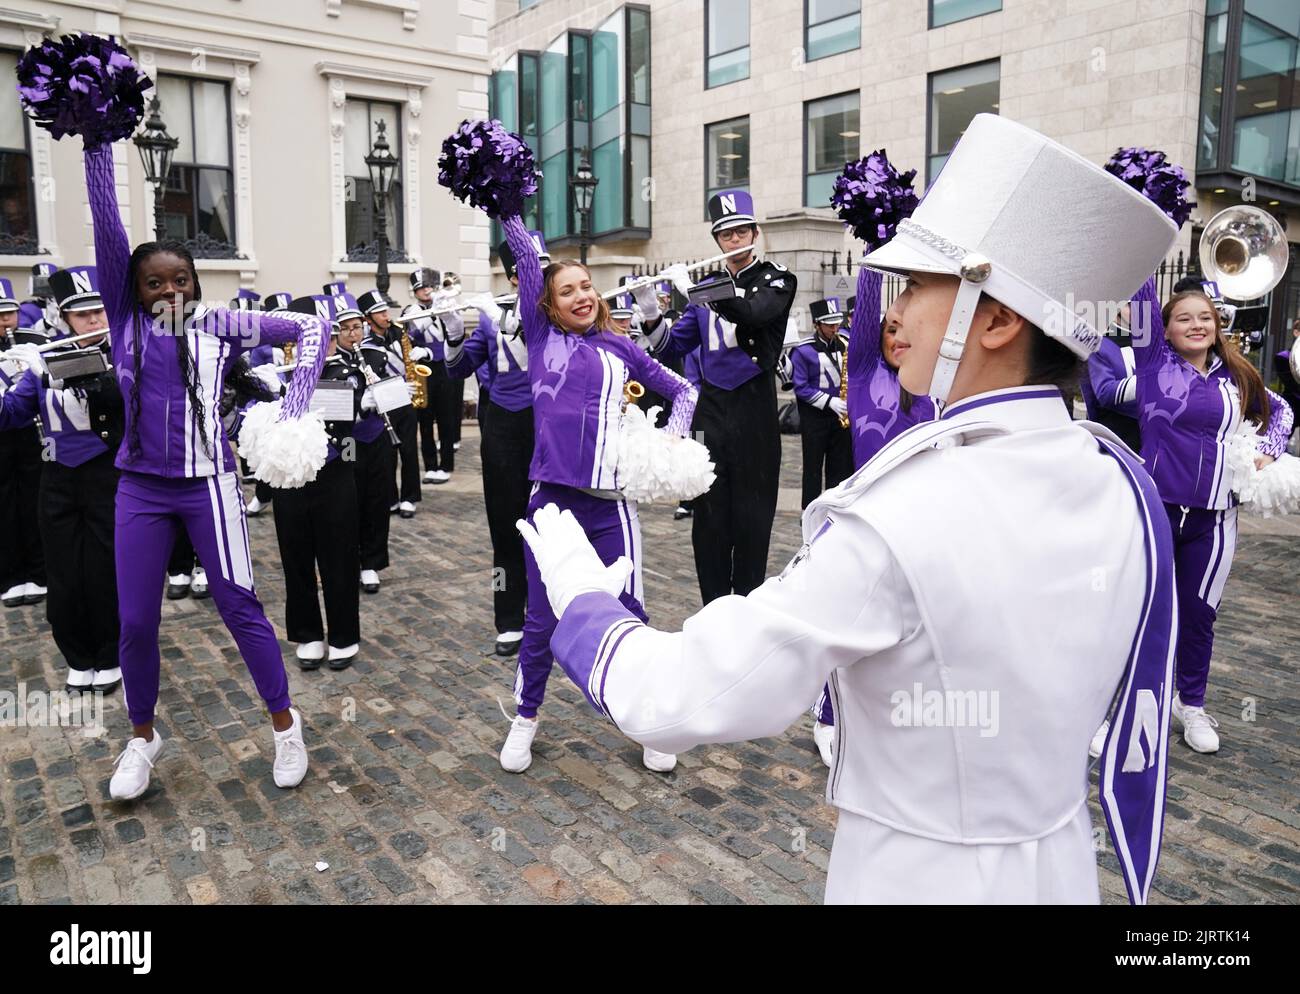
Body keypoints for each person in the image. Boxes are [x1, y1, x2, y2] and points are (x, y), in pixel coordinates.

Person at [523, 114, 1180, 905]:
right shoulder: (1121, 482)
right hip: (1061, 869)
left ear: (999, 319)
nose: (890, 315)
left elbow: (680, 697)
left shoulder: (904, 518)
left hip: (917, 879)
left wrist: (584, 603)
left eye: (917, 288)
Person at [78, 127, 329, 801]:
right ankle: (141, 737)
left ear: (196, 281)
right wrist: (96, 140)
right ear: (135, 289)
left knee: (238, 604)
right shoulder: (127, 322)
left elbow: (312, 329)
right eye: (154, 282)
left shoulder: (223, 325)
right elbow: (107, 221)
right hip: (139, 488)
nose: (168, 290)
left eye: (179, 279)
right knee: (134, 620)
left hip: (210, 484)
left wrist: (296, 407)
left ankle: (285, 726)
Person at [489, 206, 698, 776]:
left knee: (630, 611)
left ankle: (649, 720)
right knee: (541, 621)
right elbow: (529, 262)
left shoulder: (620, 347)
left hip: (611, 507)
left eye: (586, 285)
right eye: (567, 291)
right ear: (549, 305)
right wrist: (506, 204)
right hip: (553, 504)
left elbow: (683, 391)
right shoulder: (541, 338)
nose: (581, 295)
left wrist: (670, 444)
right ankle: (527, 716)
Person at [1124, 285, 1293, 754]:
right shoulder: (1153, 362)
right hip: (1155, 512)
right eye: (1184, 318)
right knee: (1143, 614)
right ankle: (1126, 708)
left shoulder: (1237, 376)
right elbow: (1140, 296)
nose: (1197, 325)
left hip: (1215, 519)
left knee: (1199, 616)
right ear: (1166, 328)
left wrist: (1269, 449)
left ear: (1217, 327)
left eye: (1205, 317)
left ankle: (1190, 705)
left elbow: (1281, 411)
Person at [644, 191, 796, 604]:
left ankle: (747, 607)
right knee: (709, 517)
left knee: (752, 515)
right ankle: (712, 607)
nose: (734, 240)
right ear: (717, 241)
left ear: (755, 233)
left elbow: (753, 313)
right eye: (726, 234)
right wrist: (650, 313)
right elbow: (670, 347)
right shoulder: (705, 290)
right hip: (710, 414)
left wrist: (697, 291)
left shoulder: (777, 278)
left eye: (741, 231)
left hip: (754, 411)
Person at [0, 266, 122, 692]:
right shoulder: (42, 360)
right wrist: (19, 376)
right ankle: (78, 654)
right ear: (63, 318)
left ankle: (111, 652)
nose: (93, 321)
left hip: (108, 476)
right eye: (81, 315)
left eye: (98, 312)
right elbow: (11, 415)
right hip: (56, 478)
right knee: (64, 571)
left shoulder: (126, 354)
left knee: (105, 568)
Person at [273, 294, 363, 670]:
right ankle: (308, 633)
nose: (323, 343)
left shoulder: (346, 372)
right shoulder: (278, 373)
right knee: (295, 557)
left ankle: (343, 634)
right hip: (290, 479)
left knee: (338, 557)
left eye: (328, 335)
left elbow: (341, 422)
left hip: (334, 475)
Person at [443, 287, 534, 658]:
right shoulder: (487, 317)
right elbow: (459, 369)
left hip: (548, 421)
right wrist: (453, 335)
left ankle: (556, 610)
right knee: (505, 528)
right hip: (503, 423)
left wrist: (502, 317)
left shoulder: (554, 309)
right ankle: (509, 617)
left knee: (557, 522)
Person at [342, 295, 398, 594]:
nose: (354, 333)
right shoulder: (329, 361)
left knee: (377, 500)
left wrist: (394, 392)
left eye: (357, 326)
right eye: (347, 328)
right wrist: (360, 405)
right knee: (351, 502)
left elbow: (392, 396)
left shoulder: (376, 356)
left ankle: (371, 563)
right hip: (348, 441)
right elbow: (331, 410)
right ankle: (349, 560)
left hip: (376, 437)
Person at [0, 276, 46, 608]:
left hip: (30, 432)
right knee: (4, 504)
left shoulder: (31, 342)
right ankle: (11, 576)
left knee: (34, 500)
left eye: (10, 313)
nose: (6, 321)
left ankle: (38, 572)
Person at [791, 297, 853, 510]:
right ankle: (808, 510)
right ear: (816, 325)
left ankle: (834, 509)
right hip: (815, 419)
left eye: (837, 323)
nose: (835, 328)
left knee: (840, 467)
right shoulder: (802, 350)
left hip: (840, 417)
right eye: (829, 324)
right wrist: (829, 402)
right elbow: (800, 387)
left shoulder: (844, 345)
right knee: (813, 468)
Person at [401, 268, 457, 486]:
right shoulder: (411, 310)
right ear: (414, 292)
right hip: (423, 368)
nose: (425, 291)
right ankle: (431, 465)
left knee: (446, 418)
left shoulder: (446, 305)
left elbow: (455, 338)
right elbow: (411, 334)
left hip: (444, 366)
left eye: (428, 286)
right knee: (425, 420)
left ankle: (446, 465)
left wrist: (431, 351)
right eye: (420, 288)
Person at [1081, 302, 1141, 452]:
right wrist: (1149, 380)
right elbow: (1105, 393)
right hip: (1117, 437)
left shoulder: (1152, 340)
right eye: (1129, 305)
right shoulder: (1099, 342)